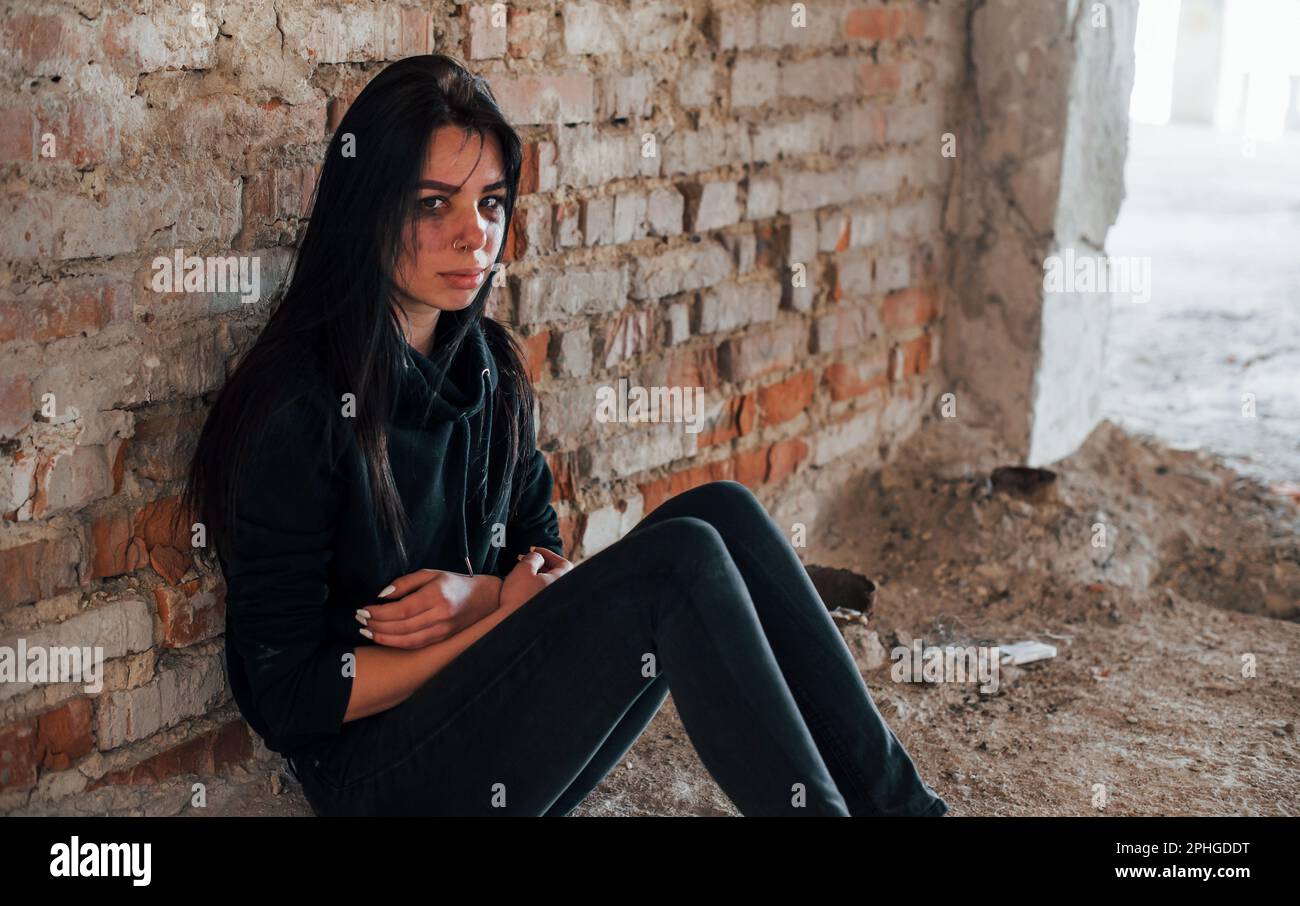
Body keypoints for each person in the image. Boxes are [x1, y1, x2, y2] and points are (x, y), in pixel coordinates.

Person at [179, 53, 949, 817]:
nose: (472, 237)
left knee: (721, 513)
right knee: (678, 565)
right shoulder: (299, 403)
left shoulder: (489, 374)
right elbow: (286, 698)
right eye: (432, 205)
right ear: (369, 208)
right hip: (379, 778)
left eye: (488, 204)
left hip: (497, 732)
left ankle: (908, 814)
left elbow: (544, 561)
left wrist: (481, 598)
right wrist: (495, 622)